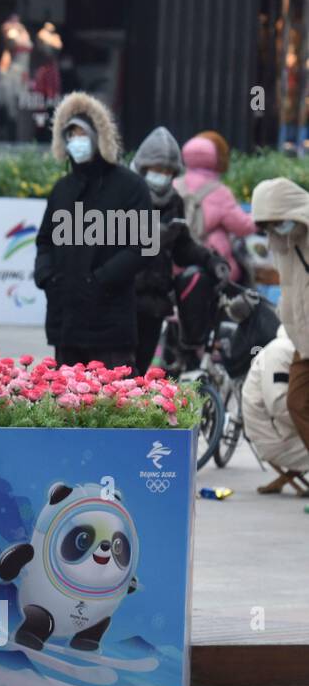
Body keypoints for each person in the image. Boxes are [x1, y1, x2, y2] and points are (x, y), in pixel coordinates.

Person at [33, 92, 151, 370]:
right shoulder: (62, 189)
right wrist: (47, 277)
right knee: (65, 394)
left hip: (110, 322)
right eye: (71, 135)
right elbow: (45, 241)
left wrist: (99, 280)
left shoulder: (130, 186)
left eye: (82, 134)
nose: (77, 141)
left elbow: (143, 246)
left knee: (115, 394)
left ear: (99, 137)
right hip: (65, 320)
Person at [129, 126, 229, 375]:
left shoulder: (174, 200)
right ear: (143, 166)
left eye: (168, 171)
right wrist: (153, 238)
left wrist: (210, 260)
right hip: (124, 301)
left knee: (139, 373)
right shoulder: (125, 194)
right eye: (157, 169)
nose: (162, 176)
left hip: (155, 302)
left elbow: (183, 247)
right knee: (120, 372)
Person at [250, 177, 309, 458]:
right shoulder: (282, 243)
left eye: (277, 221)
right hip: (303, 341)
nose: (274, 228)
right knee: (296, 401)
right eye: (268, 224)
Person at [180, 131, 255, 285]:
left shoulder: (175, 185)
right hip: (214, 267)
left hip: (179, 264)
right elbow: (243, 227)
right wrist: (257, 218)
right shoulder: (220, 192)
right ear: (215, 157)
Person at [242, 326, 309, 496]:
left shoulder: (291, 350)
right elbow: (277, 405)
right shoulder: (280, 352)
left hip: (279, 430)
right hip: (274, 437)